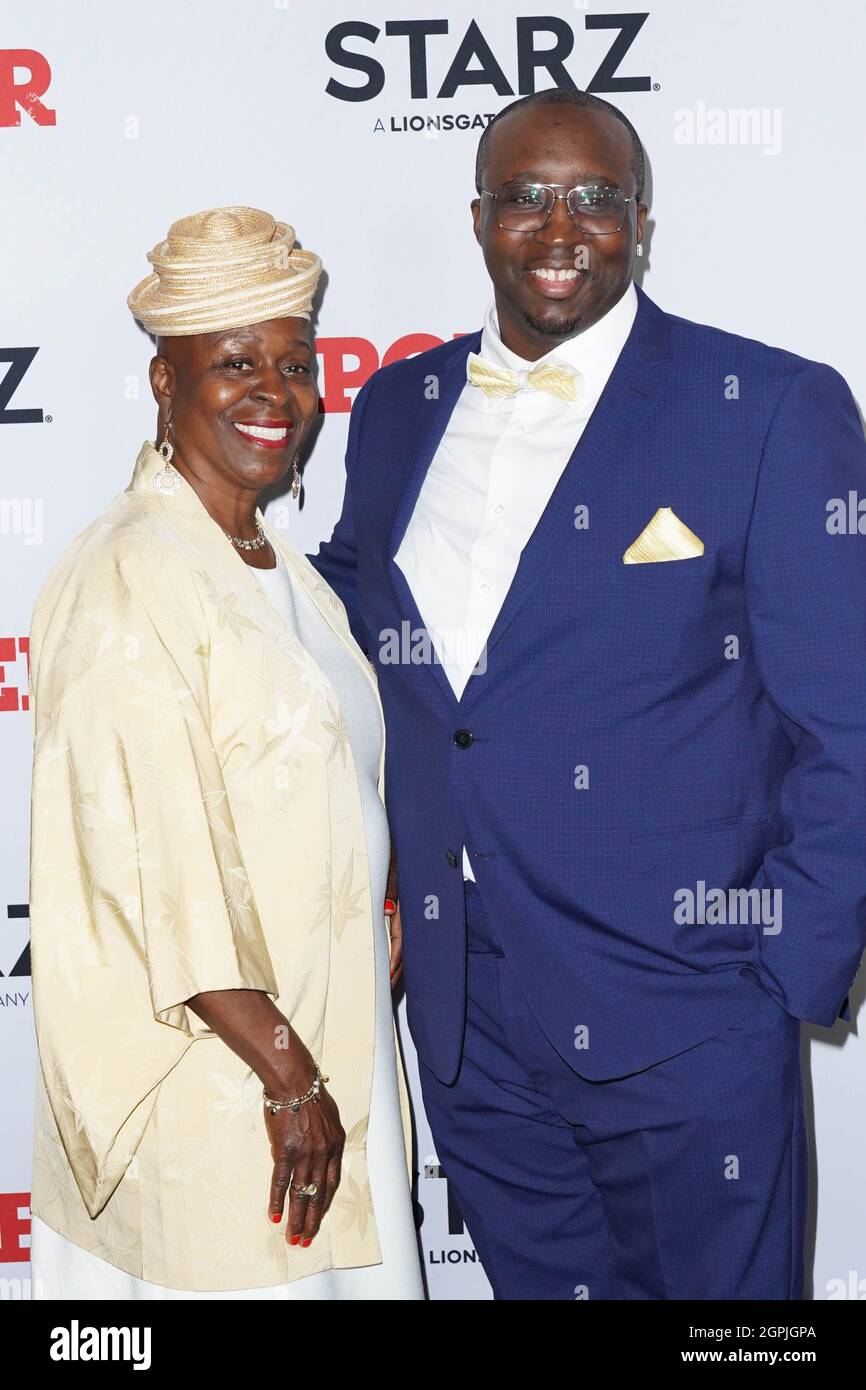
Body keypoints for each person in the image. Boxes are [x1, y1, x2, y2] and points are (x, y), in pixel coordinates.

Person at [311, 89, 866, 1299]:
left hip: (687, 1008)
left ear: (640, 220)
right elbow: (345, 612)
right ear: (476, 219)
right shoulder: (397, 410)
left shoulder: (766, 408)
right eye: (523, 196)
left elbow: (848, 719)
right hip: (465, 1015)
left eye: (593, 198)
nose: (558, 228)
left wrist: (776, 980)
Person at [28, 205, 423, 1300]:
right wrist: (288, 1078)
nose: (276, 393)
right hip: (221, 1081)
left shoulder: (278, 566)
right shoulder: (129, 569)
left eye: (295, 364)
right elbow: (150, 862)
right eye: (236, 363)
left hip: (326, 1043)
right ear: (166, 382)